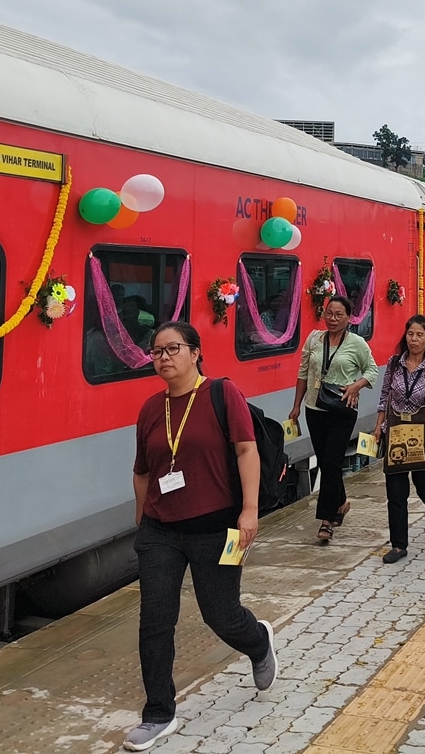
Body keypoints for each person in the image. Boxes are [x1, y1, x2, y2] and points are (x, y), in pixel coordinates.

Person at [126, 322, 275, 751]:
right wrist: (143, 523)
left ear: (195, 353)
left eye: (173, 348)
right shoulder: (151, 409)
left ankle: (259, 642)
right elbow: (142, 472)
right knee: (155, 621)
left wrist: (249, 512)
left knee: (221, 615)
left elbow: (247, 450)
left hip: (217, 528)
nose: (164, 357)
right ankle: (158, 713)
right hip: (160, 532)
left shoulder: (222, 394)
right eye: (156, 352)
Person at [290, 297, 378, 544]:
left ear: (349, 317)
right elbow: (303, 373)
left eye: (339, 314)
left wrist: (356, 386)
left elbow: (371, 370)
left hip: (343, 409)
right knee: (328, 463)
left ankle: (327, 521)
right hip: (314, 408)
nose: (333, 318)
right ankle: (341, 503)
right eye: (329, 313)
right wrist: (296, 405)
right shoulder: (314, 339)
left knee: (330, 462)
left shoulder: (357, 343)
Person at [373, 315, 425, 564]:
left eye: (419, 335)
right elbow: (385, 396)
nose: (414, 339)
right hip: (395, 435)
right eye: (410, 334)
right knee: (396, 492)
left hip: (423, 436)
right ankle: (399, 544)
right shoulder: (394, 363)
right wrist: (379, 427)